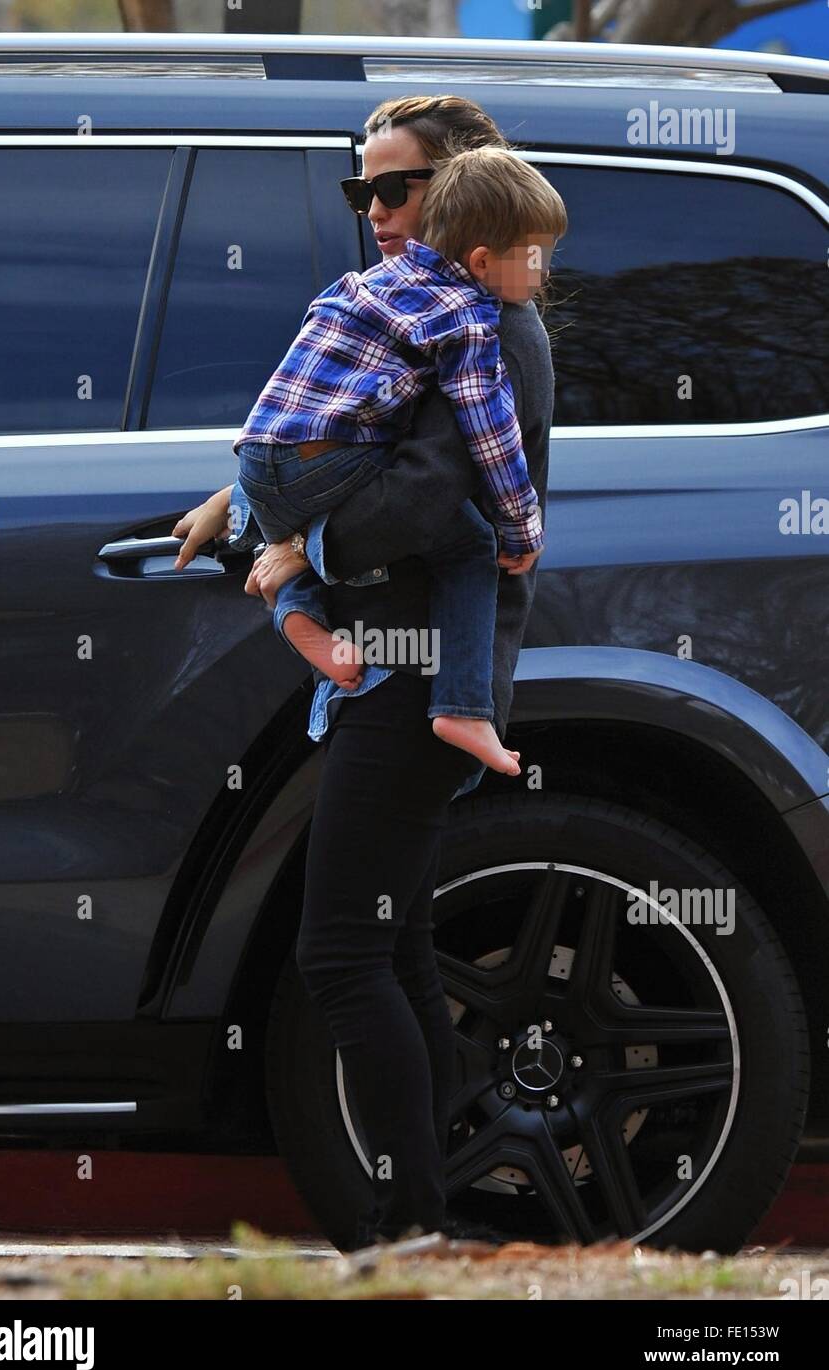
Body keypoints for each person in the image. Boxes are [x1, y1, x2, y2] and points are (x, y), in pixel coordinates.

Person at [172, 94, 559, 1250]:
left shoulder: (492, 322)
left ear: (460, 194)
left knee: (340, 949)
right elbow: (339, 435)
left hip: (416, 667)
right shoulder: (428, 306)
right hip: (381, 668)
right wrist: (234, 501)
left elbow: (430, 501)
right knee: (383, 945)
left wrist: (299, 545)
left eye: (398, 188)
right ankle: (418, 1220)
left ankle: (405, 1229)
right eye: (365, 190)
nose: (378, 211)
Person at [227, 146, 564, 776]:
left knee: (293, 517)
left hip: (258, 460)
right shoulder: (470, 317)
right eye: (539, 259)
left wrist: (258, 507)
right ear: (484, 262)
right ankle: (463, 705)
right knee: (471, 545)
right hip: (324, 464)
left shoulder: (366, 282)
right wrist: (521, 528)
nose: (546, 278)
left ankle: (300, 619)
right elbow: (486, 430)